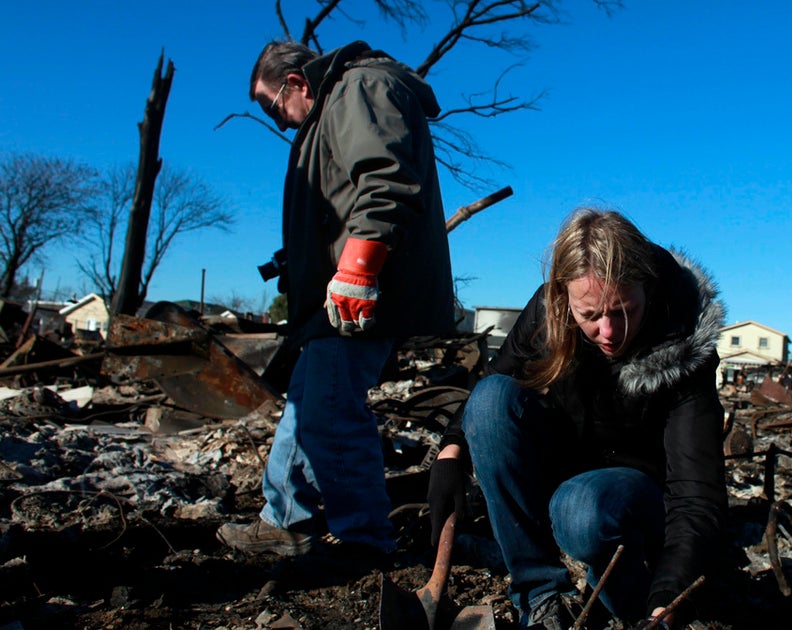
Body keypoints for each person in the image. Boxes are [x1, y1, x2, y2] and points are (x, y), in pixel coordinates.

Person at [428, 209, 727, 629]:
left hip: (642, 492)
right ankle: (542, 596)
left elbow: (696, 491)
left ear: (648, 288)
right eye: (589, 316)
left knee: (582, 510)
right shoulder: (551, 309)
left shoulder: (682, 339)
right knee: (491, 399)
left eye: (624, 310)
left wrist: (668, 596)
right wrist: (452, 449)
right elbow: (497, 380)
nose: (607, 331)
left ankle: (629, 590)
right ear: (566, 298)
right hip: (571, 466)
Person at [217, 40, 455, 557]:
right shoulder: (335, 105)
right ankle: (283, 520)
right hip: (335, 300)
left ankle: (364, 539)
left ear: (297, 83)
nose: (278, 122)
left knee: (329, 412)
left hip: (360, 298)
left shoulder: (361, 86)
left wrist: (357, 264)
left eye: (271, 105)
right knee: (307, 405)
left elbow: (386, 181)